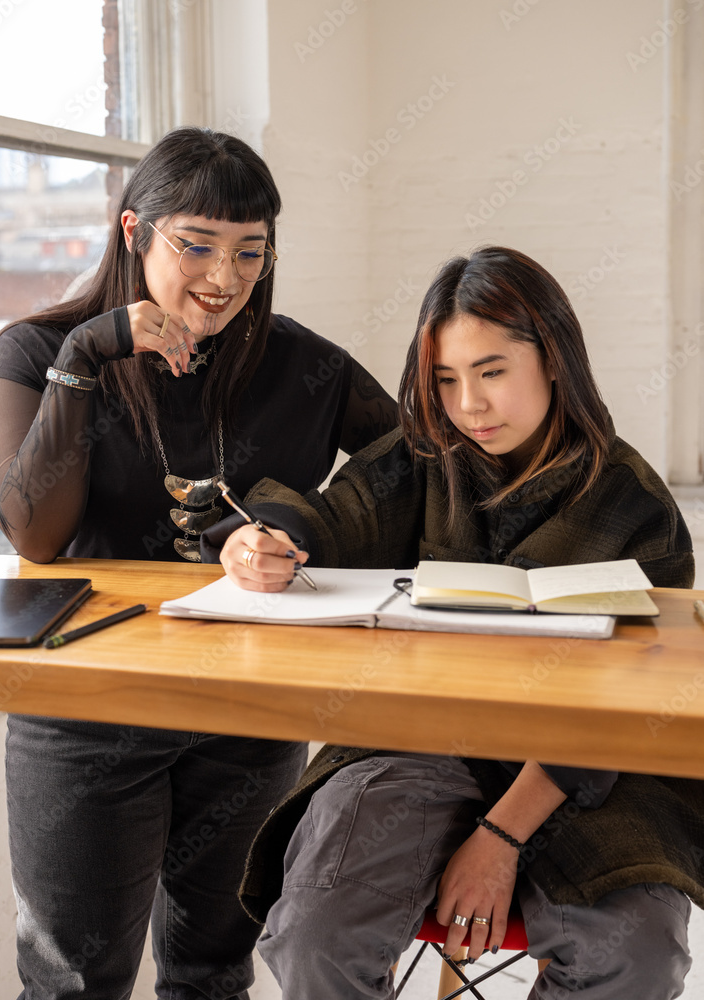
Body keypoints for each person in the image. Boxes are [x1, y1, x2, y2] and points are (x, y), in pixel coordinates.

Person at [216, 246, 702, 1000]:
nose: (468, 405)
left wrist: (500, 837)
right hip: (412, 745)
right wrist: (263, 537)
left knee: (638, 951)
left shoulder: (636, 507)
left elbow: (625, 711)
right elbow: (328, 513)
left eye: (492, 371)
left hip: (576, 771)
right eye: (445, 380)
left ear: (555, 360)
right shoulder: (421, 458)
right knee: (316, 932)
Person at [0, 126, 398, 999]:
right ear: (134, 233)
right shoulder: (38, 350)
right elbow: (34, 535)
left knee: (212, 973)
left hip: (249, 711)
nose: (224, 277)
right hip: (86, 711)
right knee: (71, 981)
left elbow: (413, 459)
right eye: (195, 244)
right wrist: (88, 354)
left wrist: (295, 516)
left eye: (251, 252)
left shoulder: (303, 363)